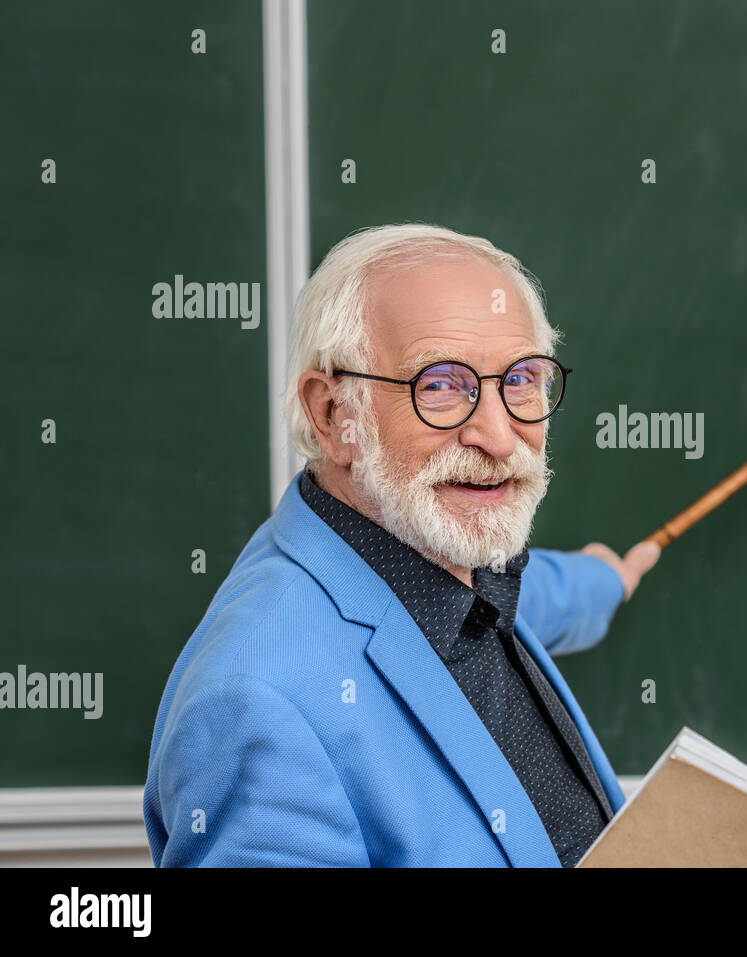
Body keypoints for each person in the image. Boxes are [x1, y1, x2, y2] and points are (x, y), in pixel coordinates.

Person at [143, 224, 660, 866]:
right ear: (334, 415)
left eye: (522, 378)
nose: (499, 438)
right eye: (440, 384)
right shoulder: (257, 703)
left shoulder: (444, 567)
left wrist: (605, 582)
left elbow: (533, 593)